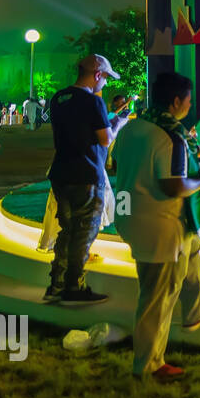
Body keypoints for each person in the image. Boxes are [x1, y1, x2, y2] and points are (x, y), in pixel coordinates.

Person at [113, 72, 200, 382]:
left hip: (132, 215)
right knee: (157, 298)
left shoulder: (132, 126)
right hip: (160, 225)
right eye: (188, 101)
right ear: (176, 102)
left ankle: (195, 310)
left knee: (193, 248)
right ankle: (148, 365)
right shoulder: (171, 137)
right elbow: (175, 186)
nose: (190, 106)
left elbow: (118, 166)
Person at [44, 54, 119, 305]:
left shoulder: (59, 98)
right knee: (83, 233)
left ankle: (56, 284)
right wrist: (117, 124)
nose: (106, 83)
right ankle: (74, 288)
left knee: (67, 230)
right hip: (86, 174)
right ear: (97, 74)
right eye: (106, 77)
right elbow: (105, 139)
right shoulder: (93, 102)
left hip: (61, 172)